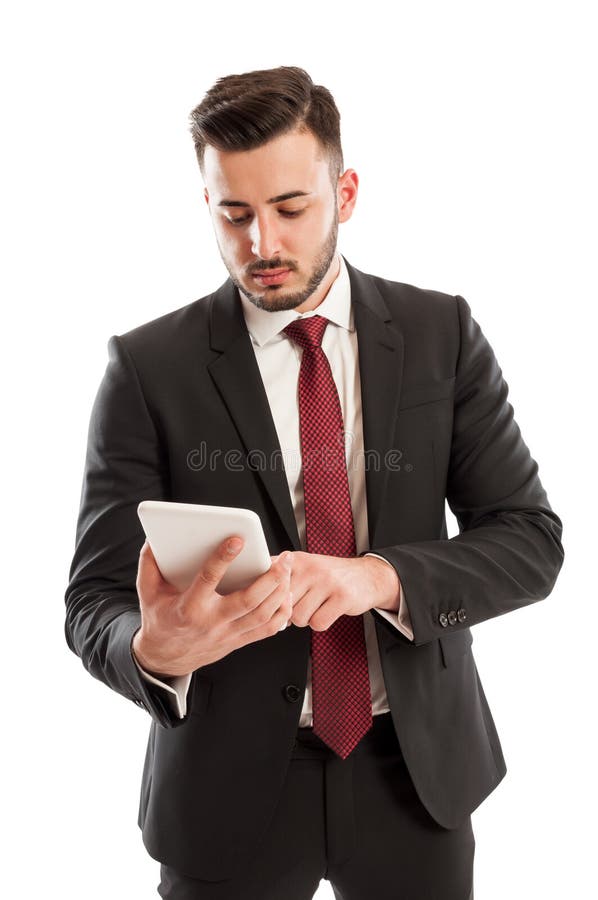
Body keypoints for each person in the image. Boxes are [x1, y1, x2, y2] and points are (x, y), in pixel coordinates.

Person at [64, 65, 564, 900]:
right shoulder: (148, 368)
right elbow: (92, 604)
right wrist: (154, 651)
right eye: (234, 213)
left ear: (348, 191)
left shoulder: (442, 334)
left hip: (416, 772)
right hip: (225, 786)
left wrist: (376, 579)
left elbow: (528, 542)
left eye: (291, 209)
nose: (262, 243)